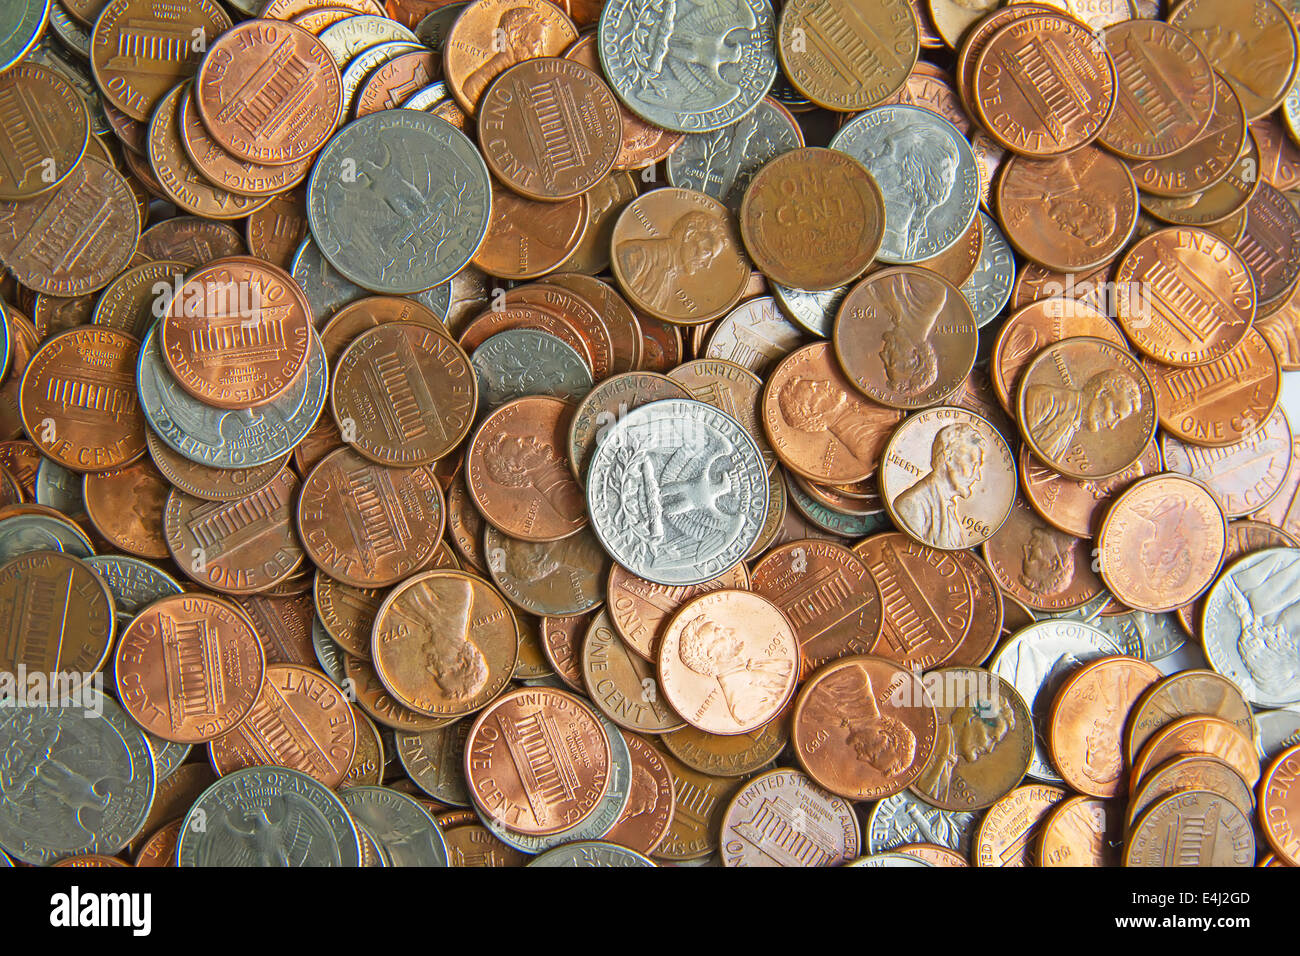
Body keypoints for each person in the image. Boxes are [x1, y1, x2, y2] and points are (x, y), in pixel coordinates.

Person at [893, 423, 986, 549]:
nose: (977, 476)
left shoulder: (949, 509)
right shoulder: (911, 504)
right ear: (948, 458)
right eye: (972, 464)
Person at [616, 211, 728, 312]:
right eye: (706, 251)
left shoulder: (670, 276)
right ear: (689, 234)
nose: (707, 265)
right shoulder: (636, 255)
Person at [1022, 369, 1143, 461]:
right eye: (1116, 414)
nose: (1112, 425)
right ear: (1102, 392)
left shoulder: (1072, 426)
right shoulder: (1043, 399)